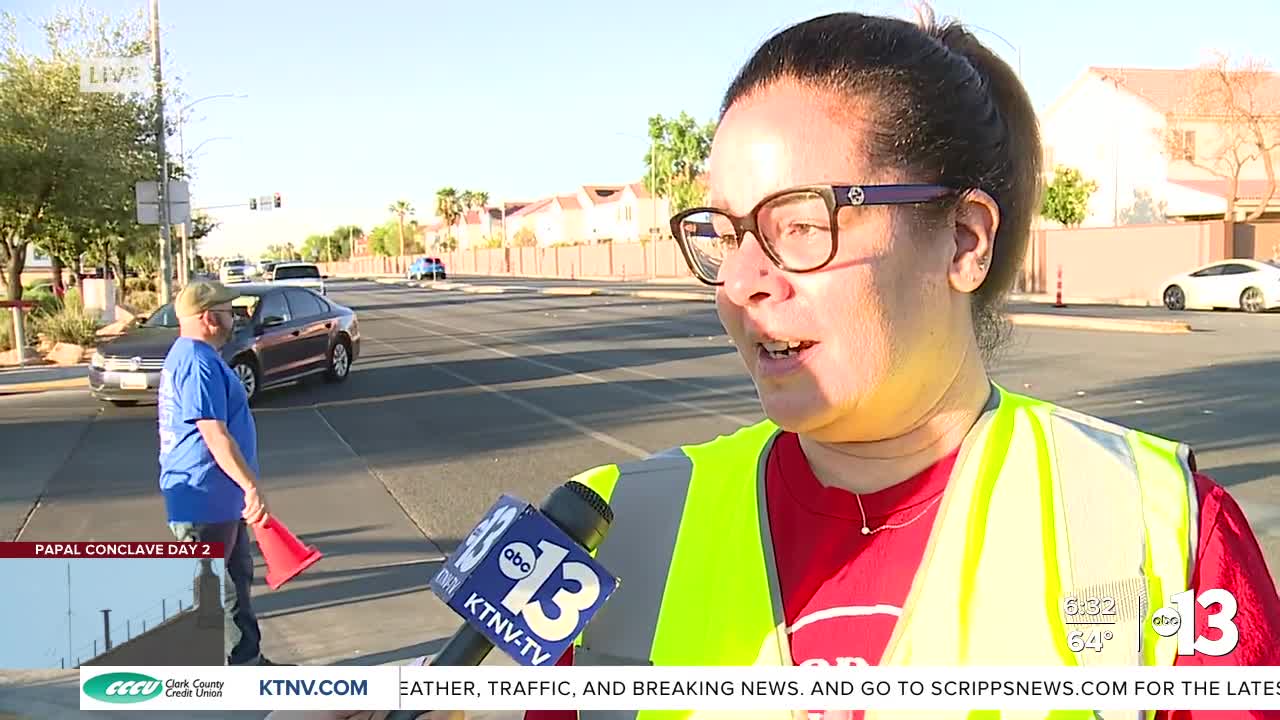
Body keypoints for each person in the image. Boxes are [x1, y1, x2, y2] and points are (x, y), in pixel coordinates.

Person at [268, 7, 1280, 720]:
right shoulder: (608, 531)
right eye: (722, 232)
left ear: (964, 241)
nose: (743, 280)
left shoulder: (1162, 530)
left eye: (799, 223)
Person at [159, 280, 280, 666]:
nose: (236, 318)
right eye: (229, 311)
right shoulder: (197, 362)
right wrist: (251, 486)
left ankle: (248, 663)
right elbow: (214, 433)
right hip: (203, 500)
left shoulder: (194, 355)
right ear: (210, 317)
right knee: (215, 596)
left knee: (236, 583)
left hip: (219, 500)